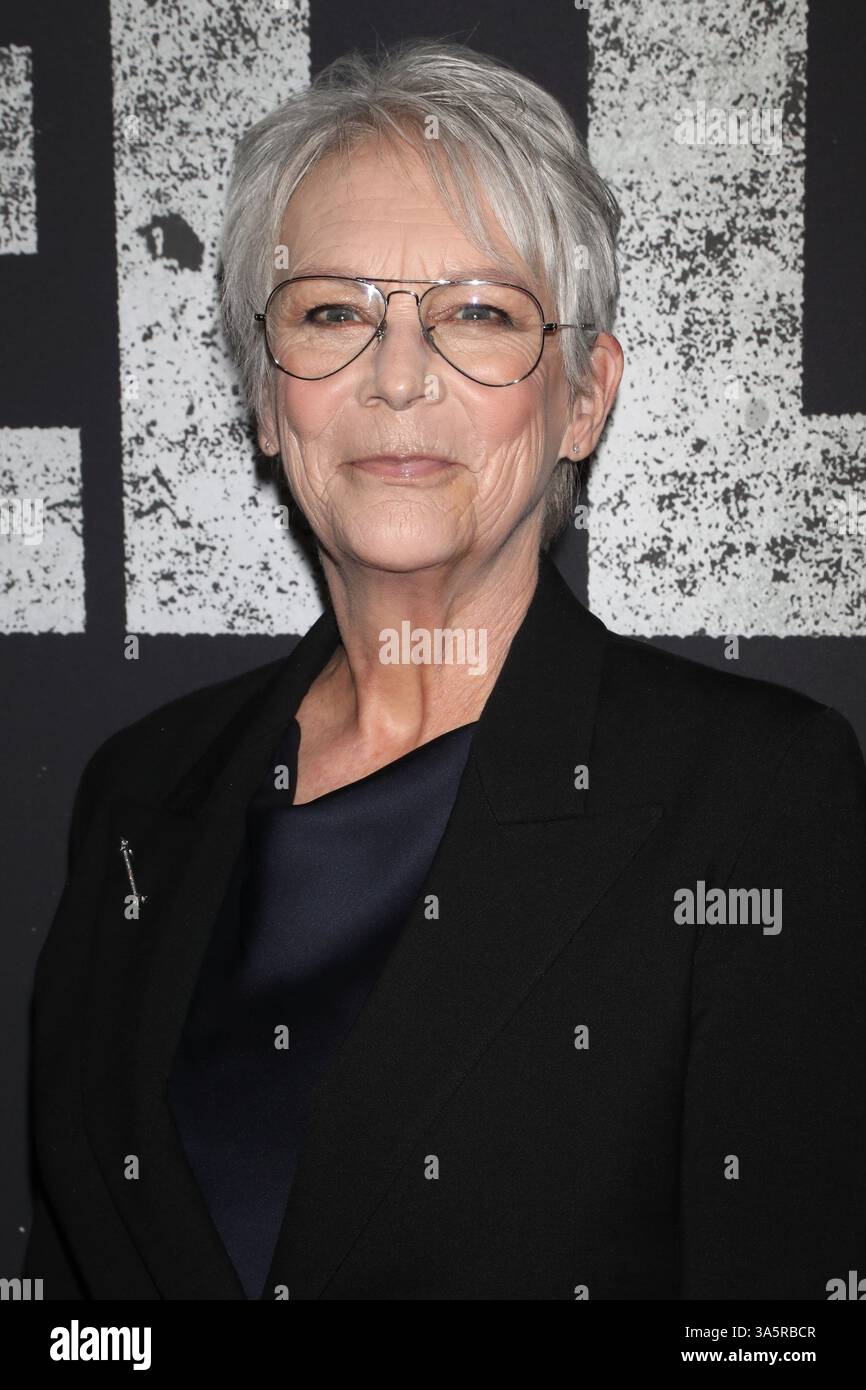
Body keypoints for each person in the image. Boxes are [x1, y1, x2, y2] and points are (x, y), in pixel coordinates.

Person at [23, 37, 866, 1301]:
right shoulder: (137, 791)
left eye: (475, 312)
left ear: (582, 393)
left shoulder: (752, 798)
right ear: (266, 397)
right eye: (330, 313)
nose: (397, 376)